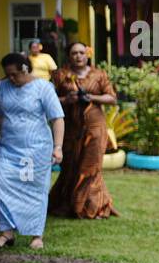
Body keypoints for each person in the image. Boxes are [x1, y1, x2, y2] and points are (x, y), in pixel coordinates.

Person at [0, 53, 64, 251]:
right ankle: (6, 231)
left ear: (25, 69)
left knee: (34, 189)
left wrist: (58, 147)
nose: (10, 79)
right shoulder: (2, 87)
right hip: (8, 147)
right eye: (7, 75)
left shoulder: (43, 88)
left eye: (14, 74)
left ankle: (37, 234)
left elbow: (57, 118)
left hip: (36, 148)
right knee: (0, 184)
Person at [48, 42, 120, 219]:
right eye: (74, 53)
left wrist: (92, 97)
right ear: (68, 56)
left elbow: (112, 98)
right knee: (71, 165)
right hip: (70, 127)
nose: (78, 56)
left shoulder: (99, 74)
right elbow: (48, 99)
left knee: (91, 166)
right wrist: (66, 99)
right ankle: (68, 204)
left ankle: (91, 207)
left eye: (81, 53)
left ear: (87, 54)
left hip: (95, 126)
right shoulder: (60, 75)